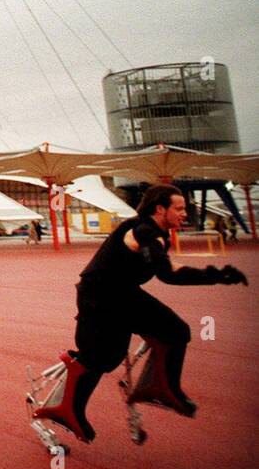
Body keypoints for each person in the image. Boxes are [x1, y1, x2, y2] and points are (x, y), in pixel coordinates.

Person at [33, 185, 248, 444]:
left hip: (122, 294)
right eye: (179, 208)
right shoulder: (142, 231)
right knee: (101, 357)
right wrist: (216, 277)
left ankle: (159, 388)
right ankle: (67, 410)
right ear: (160, 209)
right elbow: (167, 275)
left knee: (175, 331)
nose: (184, 214)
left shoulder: (156, 235)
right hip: (98, 297)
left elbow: (170, 267)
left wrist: (216, 275)